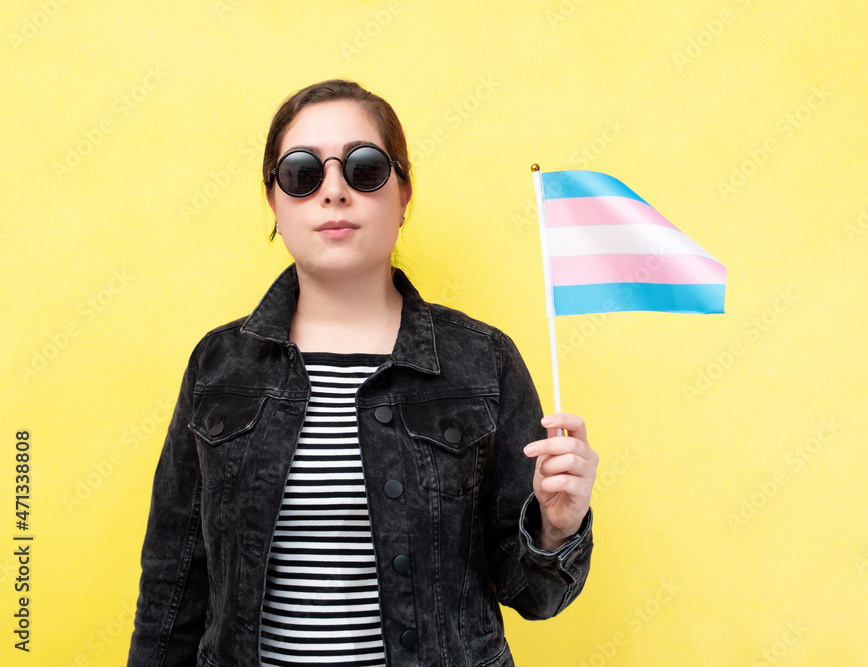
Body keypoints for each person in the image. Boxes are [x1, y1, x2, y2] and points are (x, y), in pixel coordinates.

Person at [128, 79, 598, 667]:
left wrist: (556, 528)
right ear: (274, 202)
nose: (333, 191)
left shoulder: (484, 362)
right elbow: (173, 583)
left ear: (403, 196)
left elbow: (534, 596)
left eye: (364, 168)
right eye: (302, 172)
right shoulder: (218, 366)